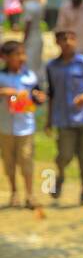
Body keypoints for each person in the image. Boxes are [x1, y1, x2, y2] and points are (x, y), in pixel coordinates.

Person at [44, 29, 83, 206]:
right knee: (64, 155)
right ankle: (60, 176)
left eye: (70, 38)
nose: (67, 42)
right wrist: (48, 120)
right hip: (63, 118)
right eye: (63, 39)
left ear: (75, 40)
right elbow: (51, 93)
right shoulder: (52, 67)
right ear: (57, 42)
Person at [0, 40, 46, 208]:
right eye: (17, 54)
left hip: (26, 127)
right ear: (5, 57)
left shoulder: (30, 76)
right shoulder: (2, 77)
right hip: (5, 127)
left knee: (26, 160)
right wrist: (4, 91)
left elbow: (37, 95)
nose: (22, 57)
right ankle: (14, 192)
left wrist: (39, 98)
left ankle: (30, 195)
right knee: (9, 162)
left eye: (23, 53)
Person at [21, 0, 45, 82]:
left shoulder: (27, 5)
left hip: (31, 37)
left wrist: (24, 40)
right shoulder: (37, 4)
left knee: (30, 63)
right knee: (37, 63)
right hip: (38, 35)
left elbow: (28, 24)